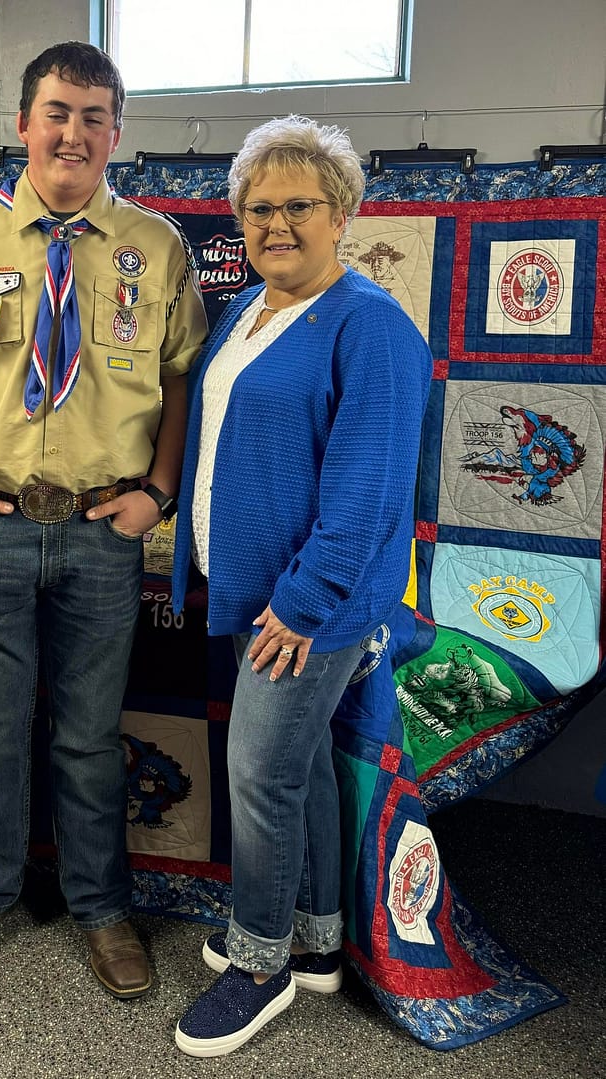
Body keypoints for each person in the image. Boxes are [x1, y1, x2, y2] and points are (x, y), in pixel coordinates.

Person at [0, 41, 207, 998]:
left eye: (93, 115)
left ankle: (102, 907)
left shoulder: (153, 247)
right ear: (23, 124)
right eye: (57, 112)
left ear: (116, 132)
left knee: (85, 735)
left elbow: (178, 379)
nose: (73, 132)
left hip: (97, 535)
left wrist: (154, 494)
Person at [170, 115, 432, 1054]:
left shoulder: (372, 327)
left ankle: (259, 963)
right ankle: (317, 939)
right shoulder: (247, 310)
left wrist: (302, 601)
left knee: (261, 774)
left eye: (298, 206)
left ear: (343, 213)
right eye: (257, 208)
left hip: (306, 605)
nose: (275, 224)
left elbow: (366, 494)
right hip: (255, 592)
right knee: (305, 763)